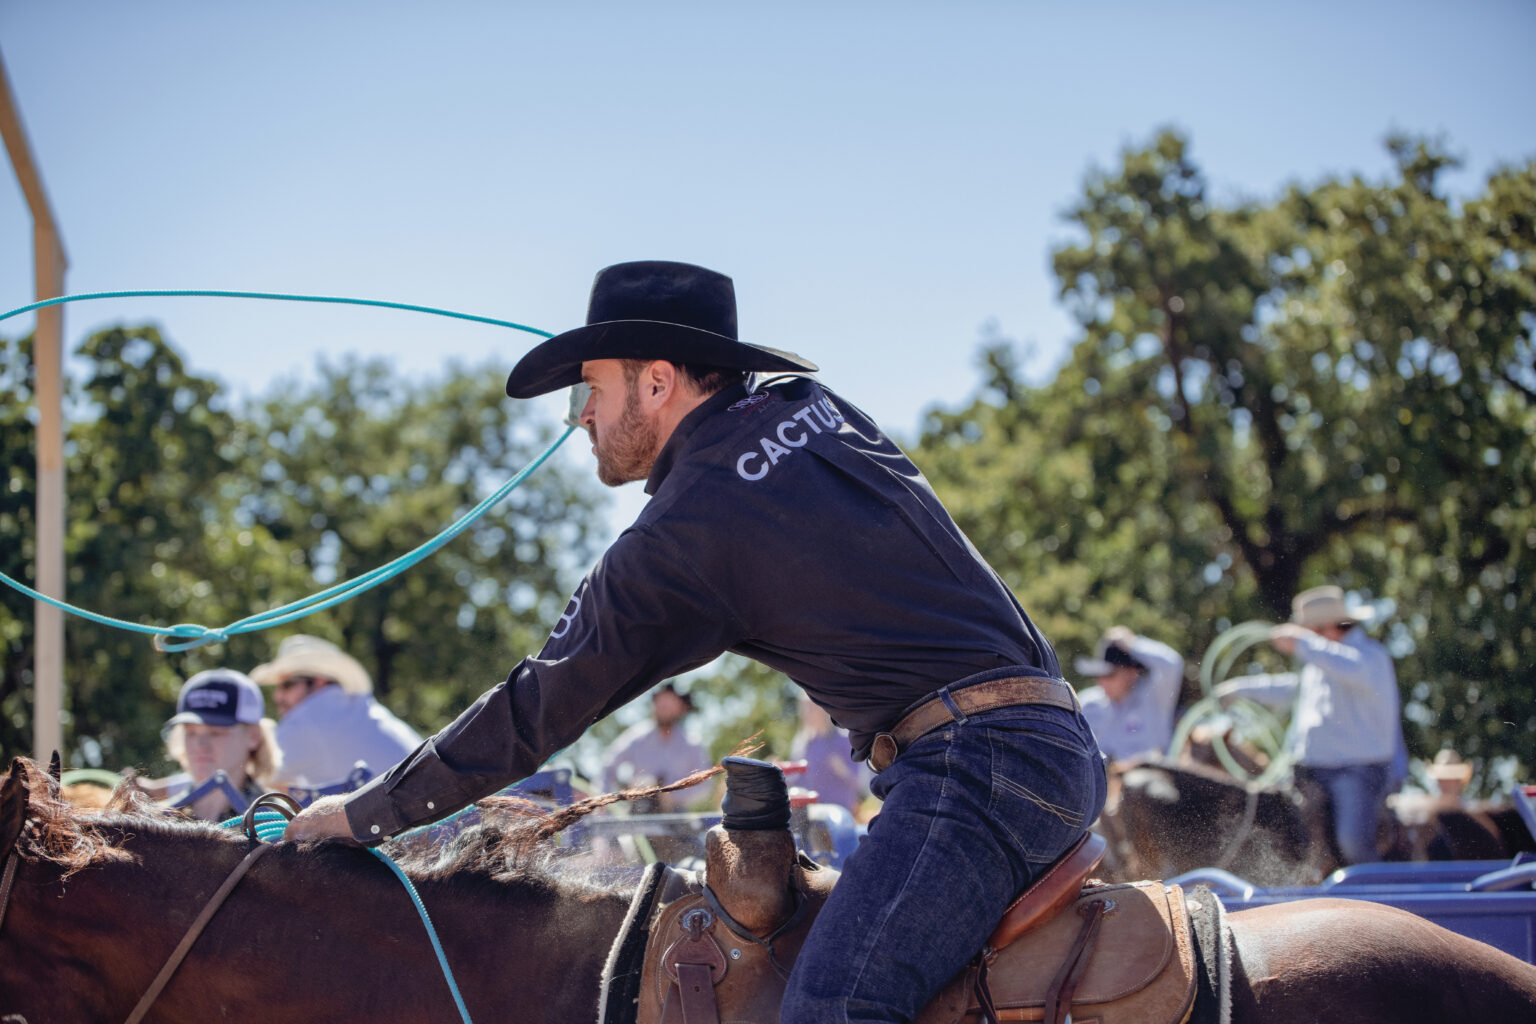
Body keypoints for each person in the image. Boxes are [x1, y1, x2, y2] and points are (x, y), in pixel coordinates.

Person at [285, 259, 1107, 1023]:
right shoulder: (811, 407)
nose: (582, 421)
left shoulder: (686, 526)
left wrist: (362, 814)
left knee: (832, 1011)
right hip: (1044, 738)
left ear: (657, 380)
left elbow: (539, 704)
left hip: (977, 769)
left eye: (592, 393)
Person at [1215, 584, 1403, 865]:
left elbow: (1348, 668)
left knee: (1352, 842)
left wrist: (1303, 643)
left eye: (1310, 631)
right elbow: (1290, 689)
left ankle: (1376, 901)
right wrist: (1239, 689)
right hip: (1310, 770)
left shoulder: (1369, 657)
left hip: (1355, 771)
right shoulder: (1322, 664)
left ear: (1325, 628)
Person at [250, 634, 422, 790]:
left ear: (319, 683)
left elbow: (254, 775)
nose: (277, 695)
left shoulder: (310, 717)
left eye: (287, 685)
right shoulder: (360, 709)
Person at [159, 668, 282, 822]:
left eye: (216, 732)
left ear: (253, 735)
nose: (200, 744)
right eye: (191, 732)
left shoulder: (280, 825)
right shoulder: (157, 820)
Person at [1072, 626, 1183, 761]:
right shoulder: (1088, 704)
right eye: (1100, 675)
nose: (1102, 682)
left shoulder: (1153, 697)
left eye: (1110, 675)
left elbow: (1172, 664)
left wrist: (1133, 643)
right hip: (1102, 779)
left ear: (1132, 673)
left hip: (1149, 778)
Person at [601, 682, 709, 810]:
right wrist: (604, 802)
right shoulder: (637, 737)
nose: (664, 706)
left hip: (676, 814)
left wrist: (672, 795)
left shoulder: (692, 744)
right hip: (639, 811)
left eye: (670, 702)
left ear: (681, 707)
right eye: (661, 702)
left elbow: (704, 784)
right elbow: (608, 765)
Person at [790, 693, 870, 816]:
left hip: (839, 815)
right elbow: (799, 782)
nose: (806, 714)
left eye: (811, 708)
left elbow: (860, 783)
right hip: (814, 814)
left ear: (823, 709)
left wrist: (841, 768)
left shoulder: (844, 739)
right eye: (804, 709)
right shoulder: (805, 743)